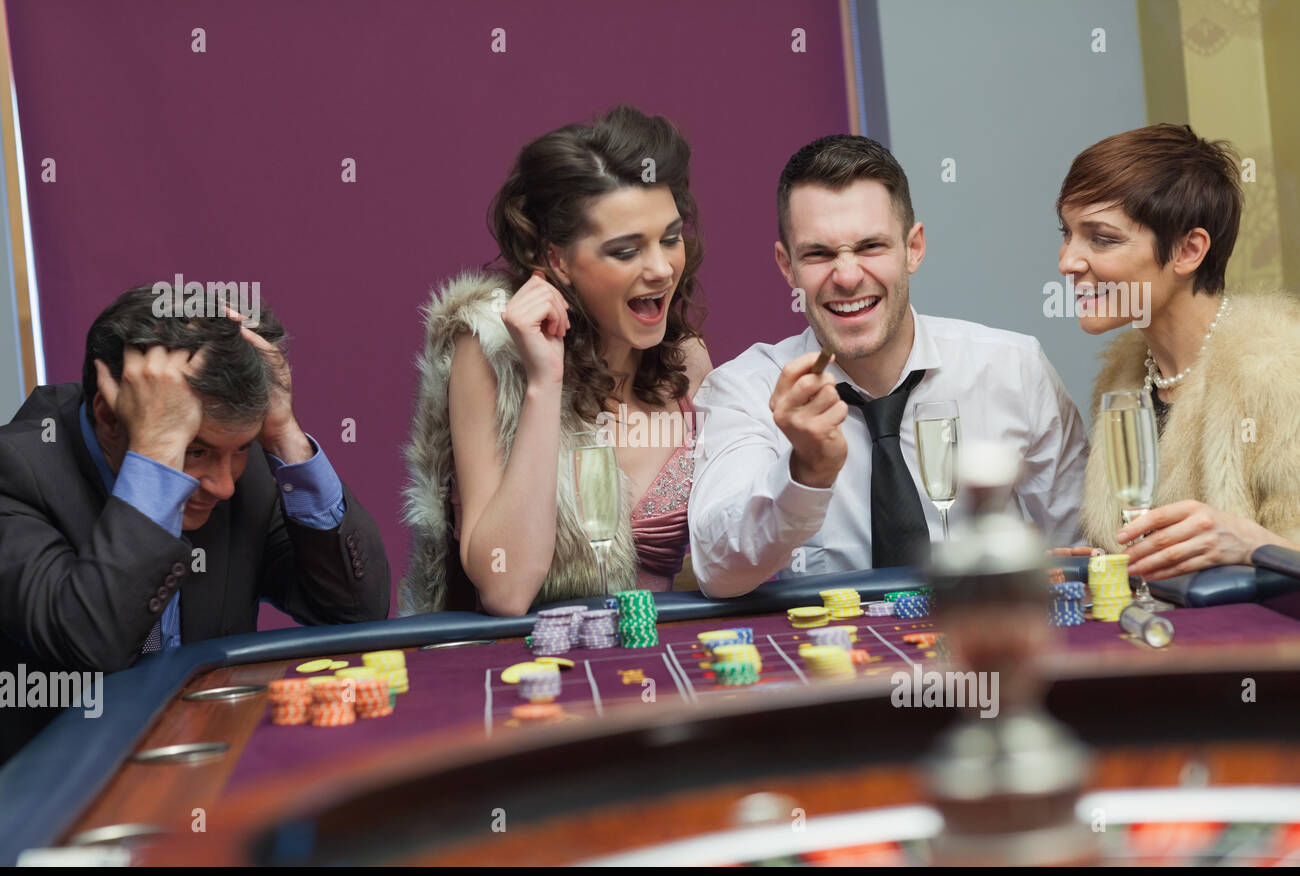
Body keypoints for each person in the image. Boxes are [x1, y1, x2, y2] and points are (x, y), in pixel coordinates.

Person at [0, 285, 390, 761]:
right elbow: (92, 642)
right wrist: (158, 454)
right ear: (107, 414)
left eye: (241, 449)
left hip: (210, 764)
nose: (224, 486)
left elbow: (354, 612)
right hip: (54, 794)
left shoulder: (237, 471)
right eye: (196, 451)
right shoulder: (14, 473)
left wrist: (284, 434)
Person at [689, 135, 1088, 598]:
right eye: (818, 254)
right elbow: (718, 571)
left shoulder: (1013, 369)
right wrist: (805, 472)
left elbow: (1085, 545)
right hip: (837, 665)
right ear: (787, 266)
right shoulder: (745, 389)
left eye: (871, 246)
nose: (847, 276)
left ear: (913, 248)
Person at [400, 105, 712, 617]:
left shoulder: (687, 361)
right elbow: (505, 589)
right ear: (556, 260)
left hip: (666, 672)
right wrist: (545, 386)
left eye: (671, 238)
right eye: (625, 250)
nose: (661, 268)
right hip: (540, 678)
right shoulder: (488, 353)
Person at [1058, 123, 1300, 578]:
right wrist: (1110, 567)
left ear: (1189, 250)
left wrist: (1253, 545)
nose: (1067, 261)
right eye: (1067, 233)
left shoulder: (1280, 372)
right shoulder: (1123, 378)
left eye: (1102, 238)